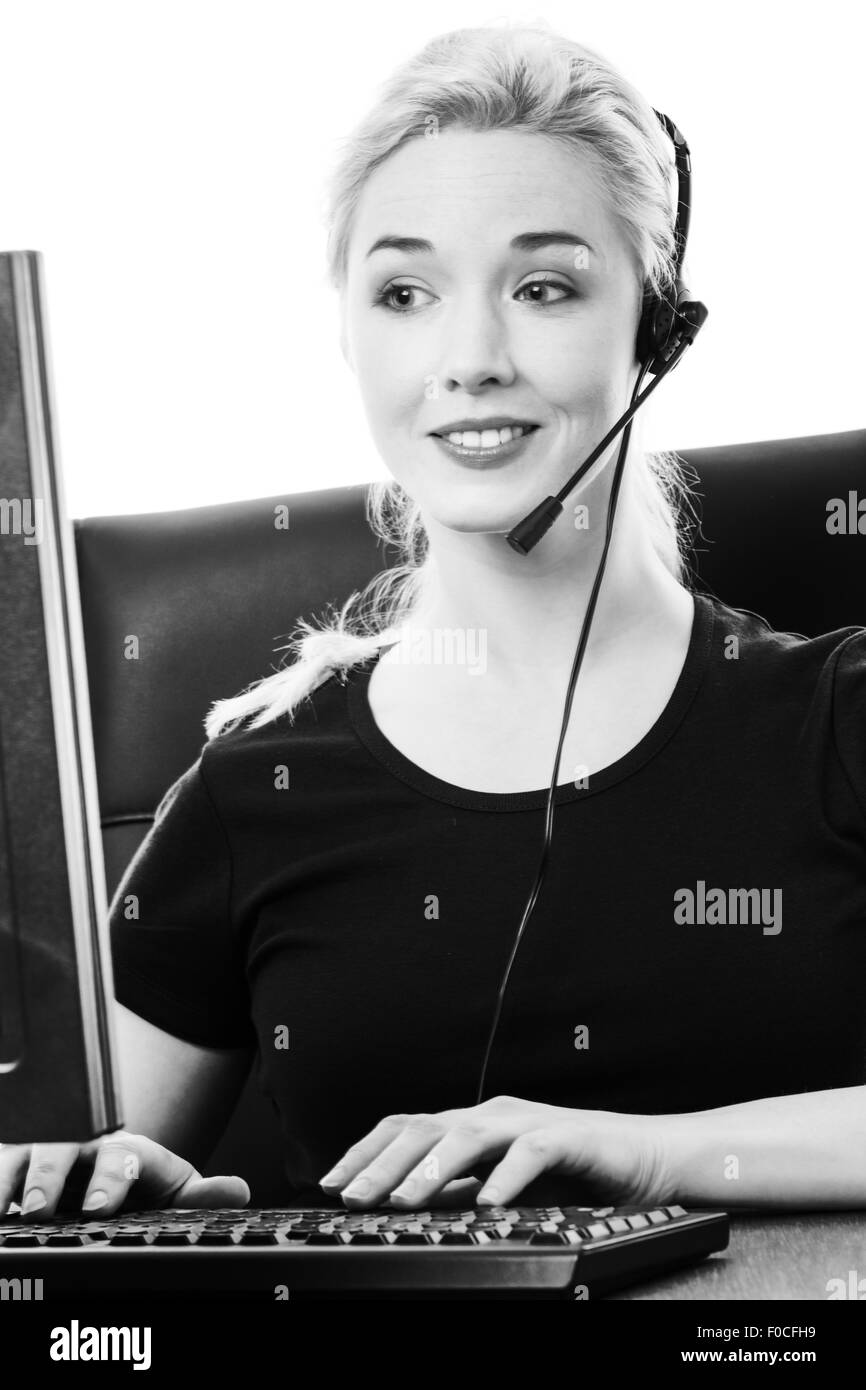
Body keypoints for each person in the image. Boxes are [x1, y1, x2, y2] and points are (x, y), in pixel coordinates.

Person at [3, 20, 866, 1223]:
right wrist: (99, 1182)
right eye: (404, 292)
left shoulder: (836, 717)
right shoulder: (257, 786)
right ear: (348, 336)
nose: (468, 358)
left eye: (543, 286)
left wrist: (649, 1153)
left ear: (655, 332)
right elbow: (66, 1176)